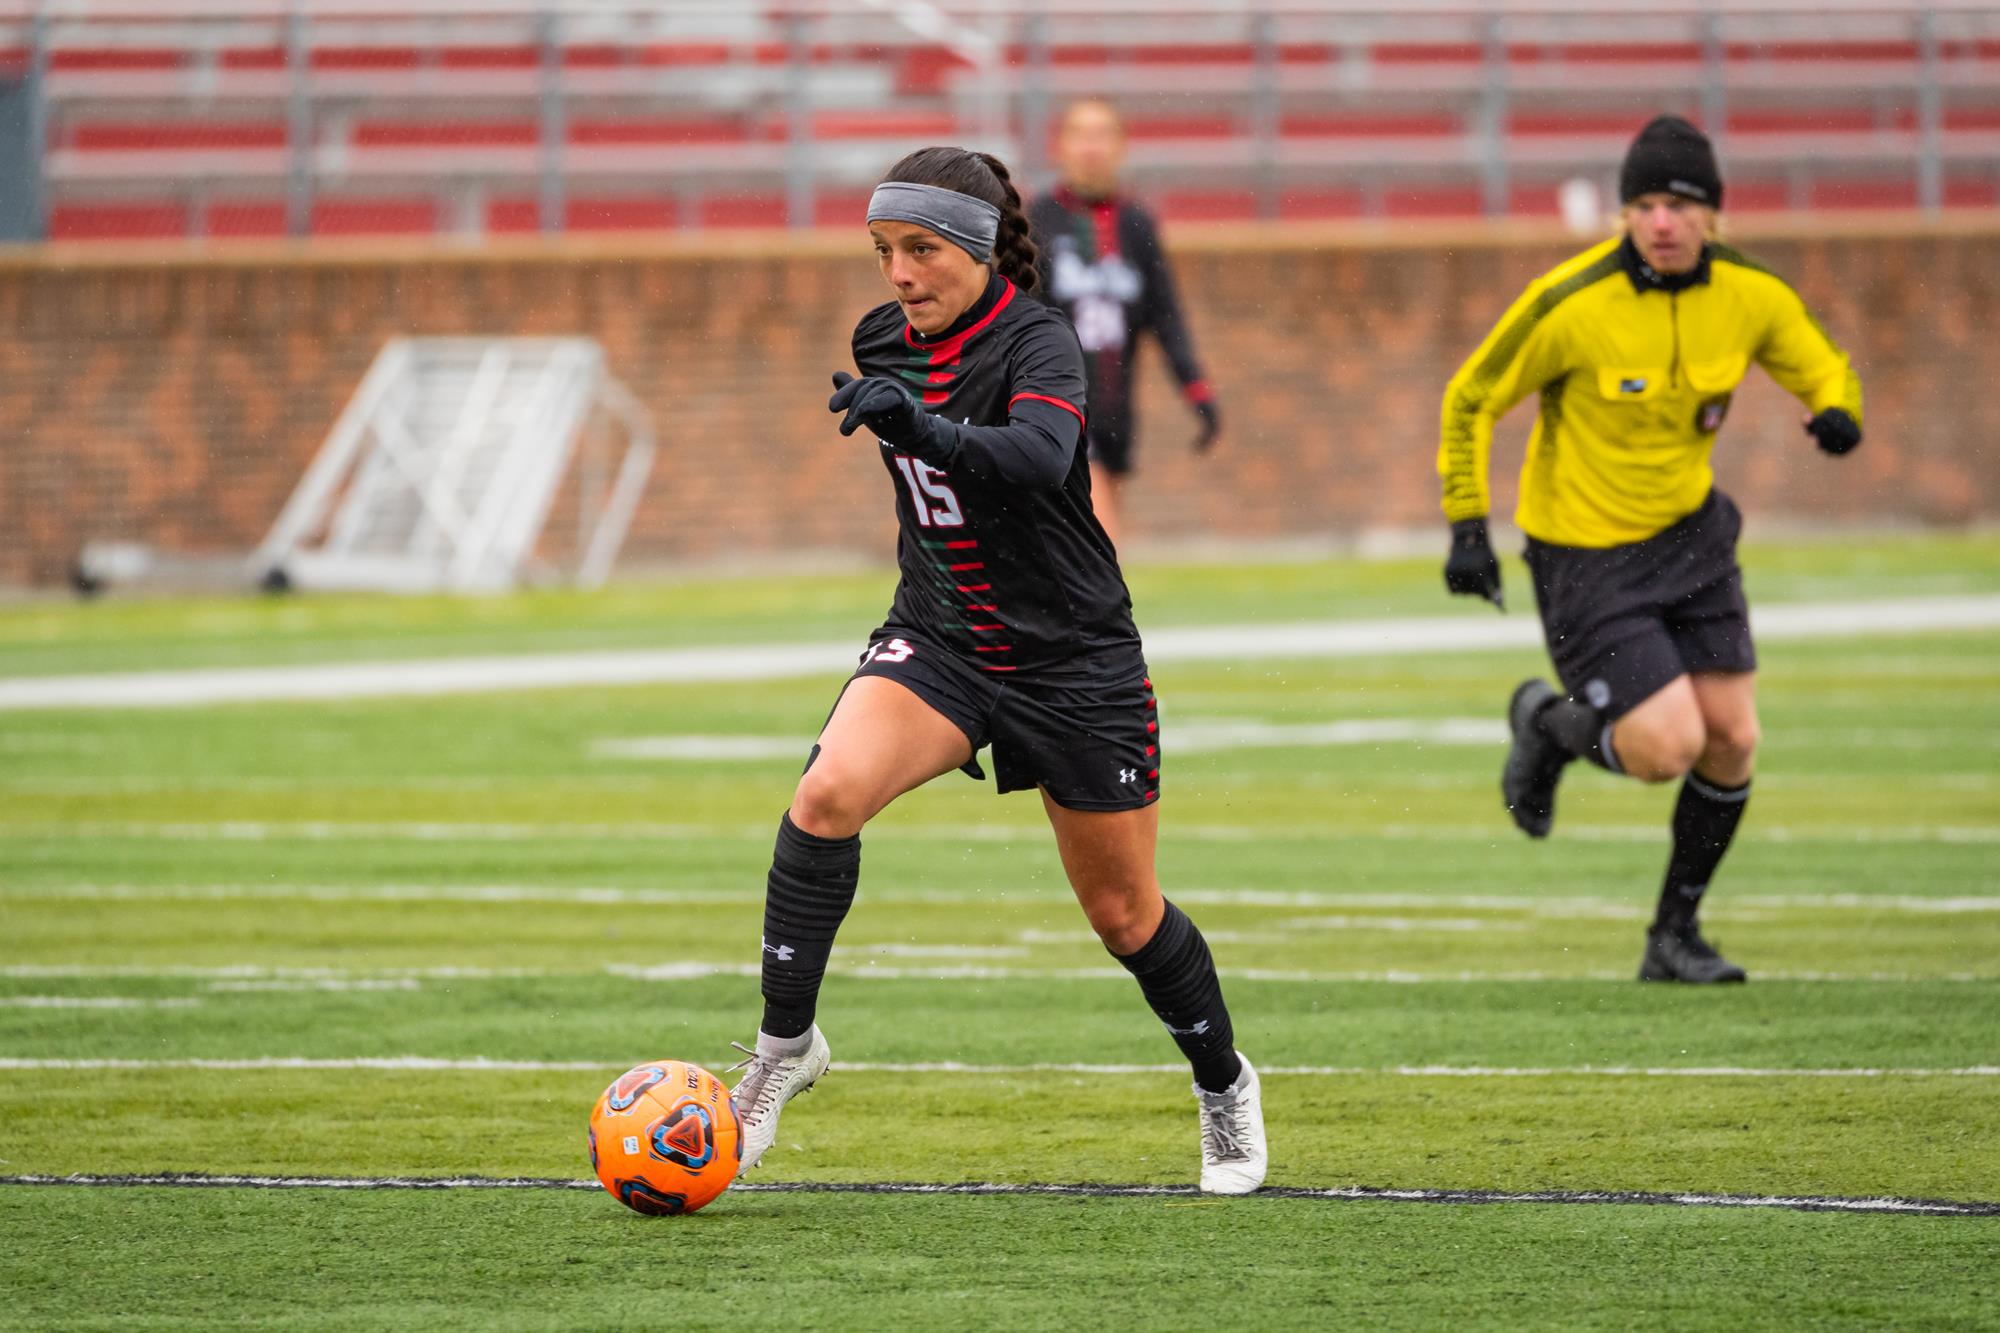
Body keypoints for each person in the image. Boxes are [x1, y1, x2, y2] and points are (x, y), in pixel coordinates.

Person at [727, 145, 1267, 1194]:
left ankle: (1220, 1080)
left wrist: (920, 426)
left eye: (920, 250)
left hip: (1072, 659)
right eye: (884, 250)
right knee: (824, 794)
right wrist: (907, 418)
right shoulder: (881, 338)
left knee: (1124, 915)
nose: (898, 274)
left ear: (973, 249)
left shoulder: (1039, 341)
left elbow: (1033, 459)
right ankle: (782, 1048)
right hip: (940, 638)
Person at [1436, 115, 1864, 984]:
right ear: (1625, 214)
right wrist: (1468, 524)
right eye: (1643, 205)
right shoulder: (1573, 301)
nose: (1660, 222)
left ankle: (1674, 936)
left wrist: (1835, 409)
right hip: (1586, 554)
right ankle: (1548, 726)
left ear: (1712, 216)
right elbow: (1471, 395)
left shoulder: (1752, 295)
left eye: (1678, 205)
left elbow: (1823, 364)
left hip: (1694, 537)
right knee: (1667, 746)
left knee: (1733, 738)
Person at [1028, 98, 1220, 548]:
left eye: (1102, 135)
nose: (1091, 147)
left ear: (1121, 146)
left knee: (1088, 552)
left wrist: (1197, 391)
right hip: (1059, 408)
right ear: (1061, 147)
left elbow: (1166, 317)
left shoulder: (1137, 225)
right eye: (1080, 135)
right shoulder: (1037, 220)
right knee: (1099, 545)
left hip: (1116, 409)